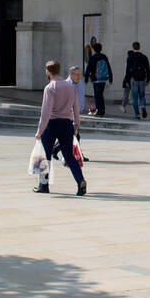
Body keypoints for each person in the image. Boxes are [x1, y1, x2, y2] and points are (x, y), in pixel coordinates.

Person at [34, 59, 86, 195]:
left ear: (48, 72)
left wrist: (39, 131)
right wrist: (76, 126)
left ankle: (43, 185)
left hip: (52, 123)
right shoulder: (70, 87)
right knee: (69, 155)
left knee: (46, 156)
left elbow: (45, 111)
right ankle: (80, 181)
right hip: (67, 124)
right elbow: (75, 109)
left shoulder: (50, 88)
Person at [85, 41, 112, 117]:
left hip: (96, 79)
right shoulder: (104, 57)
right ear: (101, 49)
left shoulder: (93, 57)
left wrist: (86, 78)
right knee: (101, 94)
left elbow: (88, 68)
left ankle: (99, 111)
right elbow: (108, 67)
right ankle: (102, 110)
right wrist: (110, 77)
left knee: (97, 96)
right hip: (103, 78)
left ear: (94, 49)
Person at [126, 42, 150, 119]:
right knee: (142, 95)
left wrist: (127, 80)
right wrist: (148, 79)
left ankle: (137, 114)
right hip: (142, 78)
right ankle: (143, 106)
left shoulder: (130, 57)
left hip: (134, 79)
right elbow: (148, 69)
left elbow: (127, 70)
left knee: (135, 97)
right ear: (139, 47)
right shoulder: (144, 57)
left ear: (133, 47)